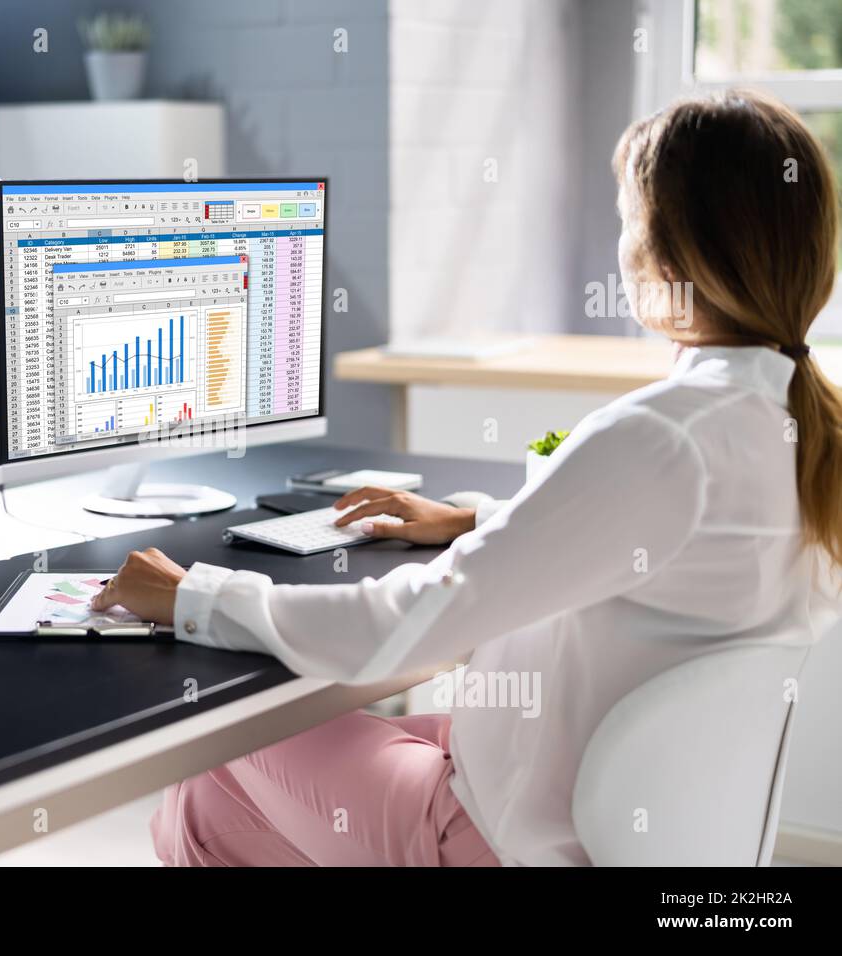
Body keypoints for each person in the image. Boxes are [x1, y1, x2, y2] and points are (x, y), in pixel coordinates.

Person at [91, 90, 842, 866]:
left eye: (626, 218)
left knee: (210, 741)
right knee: (207, 806)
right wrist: (483, 523)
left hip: (490, 836)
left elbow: (405, 629)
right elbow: (665, 557)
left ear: (669, 259)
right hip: (589, 819)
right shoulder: (791, 423)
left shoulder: (663, 435)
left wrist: (195, 596)